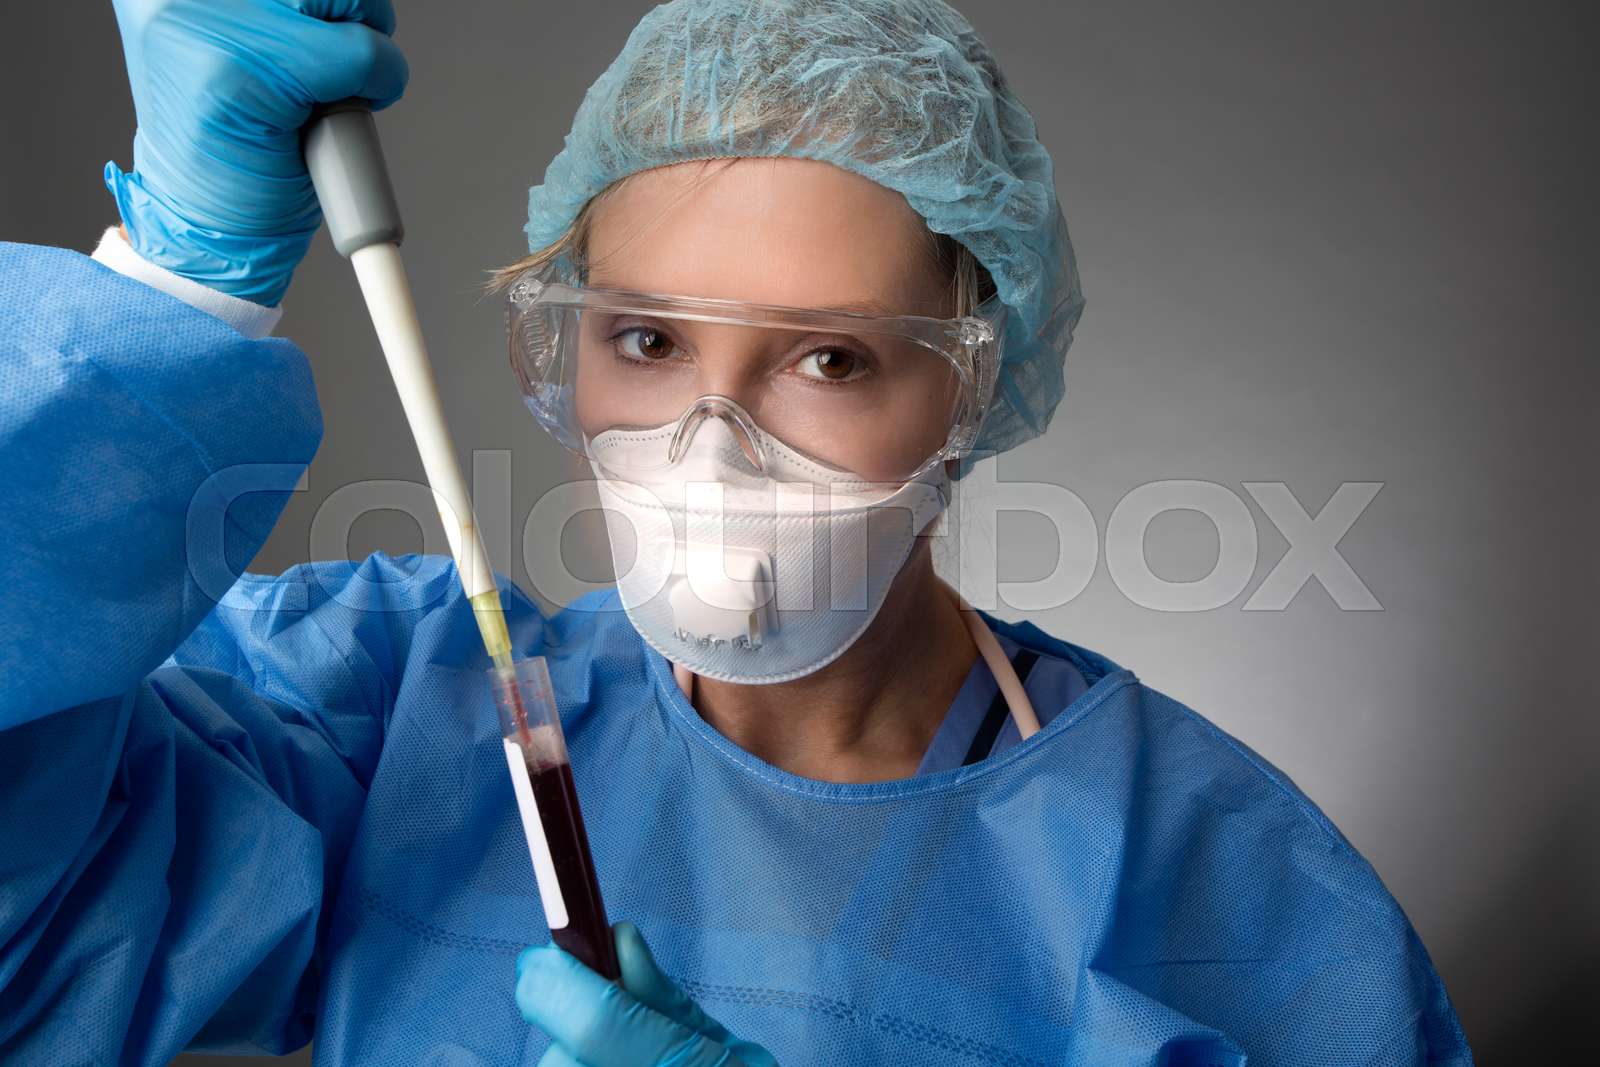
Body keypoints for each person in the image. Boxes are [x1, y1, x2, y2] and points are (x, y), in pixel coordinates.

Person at [0, 1, 1474, 1064]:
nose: (710, 445)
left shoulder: (1213, 883)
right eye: (643, 339)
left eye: (828, 360)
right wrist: (181, 274)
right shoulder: (390, 716)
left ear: (971, 390)